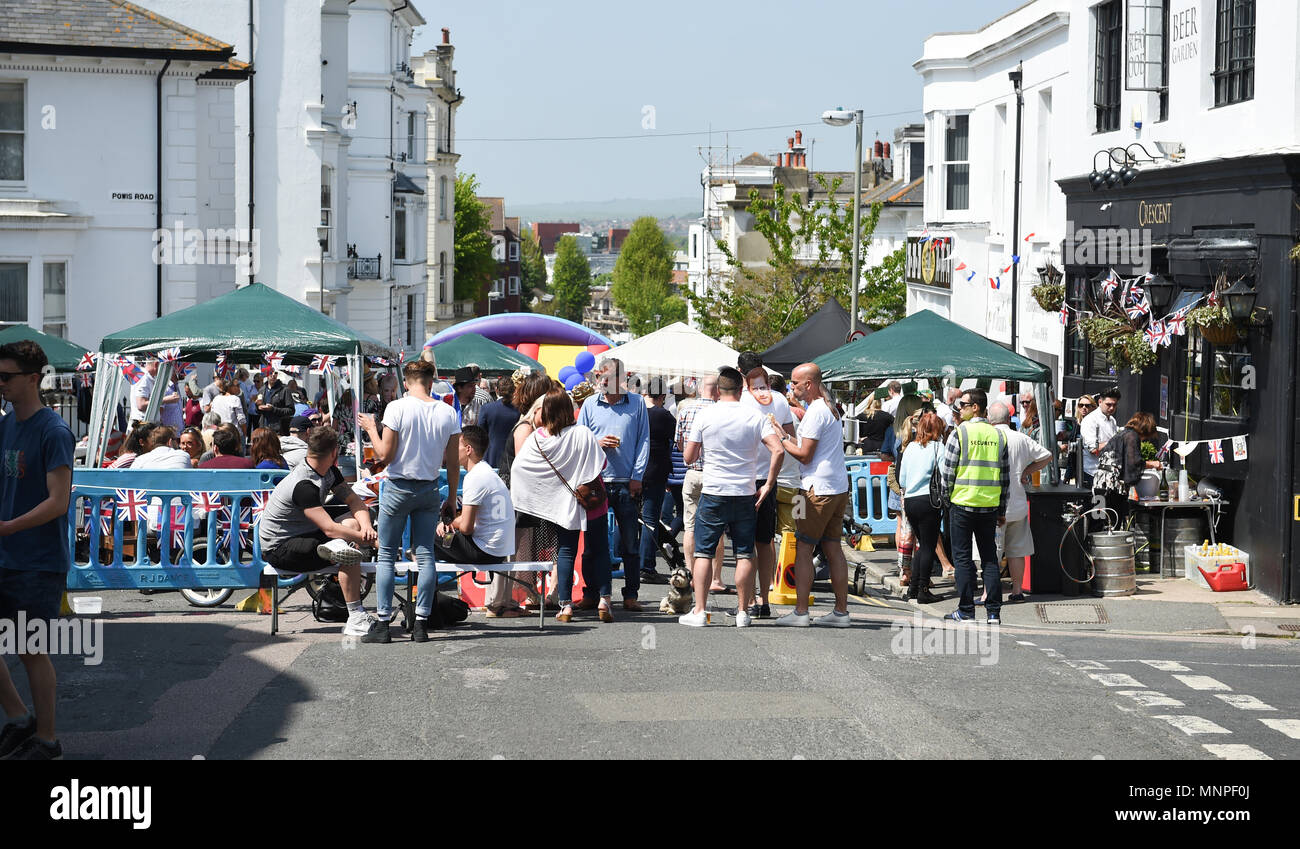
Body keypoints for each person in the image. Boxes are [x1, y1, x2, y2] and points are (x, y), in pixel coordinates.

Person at [0, 340, 74, 759]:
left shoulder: (54, 430)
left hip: (37, 560)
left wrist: (10, 525)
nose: (0, 384)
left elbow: (58, 502)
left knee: (30, 650)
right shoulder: (5, 423)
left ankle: (46, 739)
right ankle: (18, 716)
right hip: (7, 551)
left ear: (33, 378)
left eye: (6, 377)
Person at [358, 359, 460, 643]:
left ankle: (382, 623)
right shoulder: (447, 412)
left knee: (388, 555)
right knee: (425, 553)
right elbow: (453, 463)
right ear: (432, 380)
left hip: (398, 485)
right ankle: (421, 622)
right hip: (429, 488)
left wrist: (370, 428)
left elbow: (384, 455)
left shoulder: (397, 407)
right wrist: (451, 497)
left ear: (406, 382)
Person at [679, 367, 782, 627]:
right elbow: (778, 450)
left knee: (704, 552)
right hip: (746, 493)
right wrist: (768, 484)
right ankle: (743, 612)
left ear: (717, 390)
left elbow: (688, 458)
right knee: (745, 553)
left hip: (714, 492)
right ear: (741, 389)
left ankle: (700, 611)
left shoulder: (705, 415)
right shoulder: (755, 415)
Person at [258, 426, 379, 638]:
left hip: (305, 537)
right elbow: (329, 528)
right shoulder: (304, 484)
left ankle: (337, 551)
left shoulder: (329, 472)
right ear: (334, 453)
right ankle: (356, 617)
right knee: (347, 545)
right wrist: (369, 541)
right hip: (279, 549)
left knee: (351, 526)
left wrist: (367, 528)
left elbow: (354, 500)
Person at [509, 389, 609, 623]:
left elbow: (519, 470)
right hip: (591, 500)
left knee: (565, 552)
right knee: (600, 549)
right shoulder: (583, 433)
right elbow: (600, 464)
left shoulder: (537, 438)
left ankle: (565, 606)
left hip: (563, 505)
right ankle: (605, 600)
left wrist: (549, 494)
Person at [773, 363, 852, 627]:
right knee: (833, 547)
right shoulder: (828, 407)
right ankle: (841, 612)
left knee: (803, 548)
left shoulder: (816, 411)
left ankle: (801, 612)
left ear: (809, 384)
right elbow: (810, 449)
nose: (791, 387)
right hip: (836, 487)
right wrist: (786, 435)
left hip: (814, 490)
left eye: (794, 383)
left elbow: (804, 455)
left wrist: (781, 440)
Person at [578, 357, 653, 610]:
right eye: (604, 379)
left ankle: (630, 595)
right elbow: (579, 441)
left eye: (613, 380)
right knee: (592, 544)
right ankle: (591, 593)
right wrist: (596, 443)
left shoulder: (637, 403)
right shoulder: (589, 404)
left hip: (625, 483)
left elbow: (644, 440)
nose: (607, 384)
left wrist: (637, 476)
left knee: (630, 544)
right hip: (596, 482)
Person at [940, 388, 1010, 624]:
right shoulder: (998, 436)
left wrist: (947, 500)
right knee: (989, 557)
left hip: (962, 504)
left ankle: (967, 610)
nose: (960, 408)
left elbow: (947, 473)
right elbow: (1005, 477)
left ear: (975, 407)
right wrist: (1001, 509)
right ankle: (993, 613)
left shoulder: (959, 433)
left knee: (962, 559)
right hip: (988, 506)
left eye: (963, 405)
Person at [490, 371, 556, 616]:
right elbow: (522, 466)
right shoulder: (525, 427)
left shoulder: (527, 424)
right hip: (513, 493)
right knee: (509, 548)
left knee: (515, 547)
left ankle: (508, 599)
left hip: (515, 493)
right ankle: (500, 602)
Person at [737, 351, 794, 618]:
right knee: (765, 540)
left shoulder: (740, 398)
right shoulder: (780, 399)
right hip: (771, 476)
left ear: (740, 373)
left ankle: (747, 601)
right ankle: (764, 597)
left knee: (744, 542)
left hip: (744, 477)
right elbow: (789, 437)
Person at [981, 402, 1053, 604]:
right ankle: (1017, 590)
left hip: (993, 502)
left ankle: (988, 592)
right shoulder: (1021, 438)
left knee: (992, 551)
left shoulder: (987, 438)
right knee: (1017, 550)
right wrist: (1025, 472)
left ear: (989, 419)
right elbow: (1047, 456)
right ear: (1008, 418)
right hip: (1018, 503)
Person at [434, 425, 514, 567]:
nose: (452, 450)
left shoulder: (475, 477)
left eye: (455, 445)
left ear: (468, 449)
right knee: (439, 538)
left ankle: (424, 585)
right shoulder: (487, 472)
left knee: (428, 536)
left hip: (484, 551)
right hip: (500, 552)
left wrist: (449, 523)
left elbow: (466, 528)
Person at [675, 373, 726, 594]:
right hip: (715, 474)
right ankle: (715, 578)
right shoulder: (721, 411)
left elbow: (679, 445)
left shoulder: (685, 409)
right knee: (717, 527)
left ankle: (691, 573)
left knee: (690, 526)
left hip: (692, 473)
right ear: (717, 390)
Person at [897, 412, 945, 604]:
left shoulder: (909, 448)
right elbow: (944, 473)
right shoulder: (938, 447)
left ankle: (913, 588)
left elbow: (902, 479)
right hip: (929, 500)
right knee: (928, 546)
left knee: (921, 545)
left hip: (910, 501)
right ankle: (924, 589)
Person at [1094, 411, 1162, 527]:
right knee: (1112, 521)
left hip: (1100, 483)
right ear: (1146, 428)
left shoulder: (1122, 434)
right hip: (1112, 486)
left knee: (1099, 519)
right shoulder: (1132, 436)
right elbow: (1133, 462)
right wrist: (1153, 464)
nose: (1146, 439)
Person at [638, 390, 676, 583]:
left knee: (627, 517)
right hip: (656, 469)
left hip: (635, 468)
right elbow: (675, 437)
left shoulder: (636, 410)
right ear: (661, 397)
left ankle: (620, 559)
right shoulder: (663, 414)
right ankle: (646, 566)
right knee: (650, 518)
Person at [1080, 388, 1120, 490]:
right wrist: (1114, 441)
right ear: (1100, 402)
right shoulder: (1090, 420)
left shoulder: (1112, 420)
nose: (1111, 408)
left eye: (1114, 405)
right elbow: (1093, 449)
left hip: (1109, 472)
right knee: (1097, 505)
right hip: (1093, 473)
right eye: (1108, 404)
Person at [478, 375, 518, 470]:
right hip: (512, 457)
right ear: (514, 390)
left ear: (496, 389)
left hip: (490, 456)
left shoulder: (487, 409)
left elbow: (480, 433)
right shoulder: (519, 410)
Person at [130, 359, 182, 429]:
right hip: (143, 425)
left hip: (146, 424)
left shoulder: (148, 378)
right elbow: (141, 405)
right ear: (157, 365)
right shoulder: (144, 379)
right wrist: (166, 399)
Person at [132, 426, 196, 470]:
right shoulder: (183, 456)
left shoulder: (139, 460)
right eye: (176, 440)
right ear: (170, 442)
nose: (177, 443)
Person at [256, 371, 296, 435]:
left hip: (278, 430)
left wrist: (273, 409)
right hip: (263, 429)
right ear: (267, 375)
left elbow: (291, 411)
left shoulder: (284, 390)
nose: (273, 375)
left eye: (275, 373)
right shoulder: (262, 390)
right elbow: (258, 412)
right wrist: (257, 406)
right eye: (271, 373)